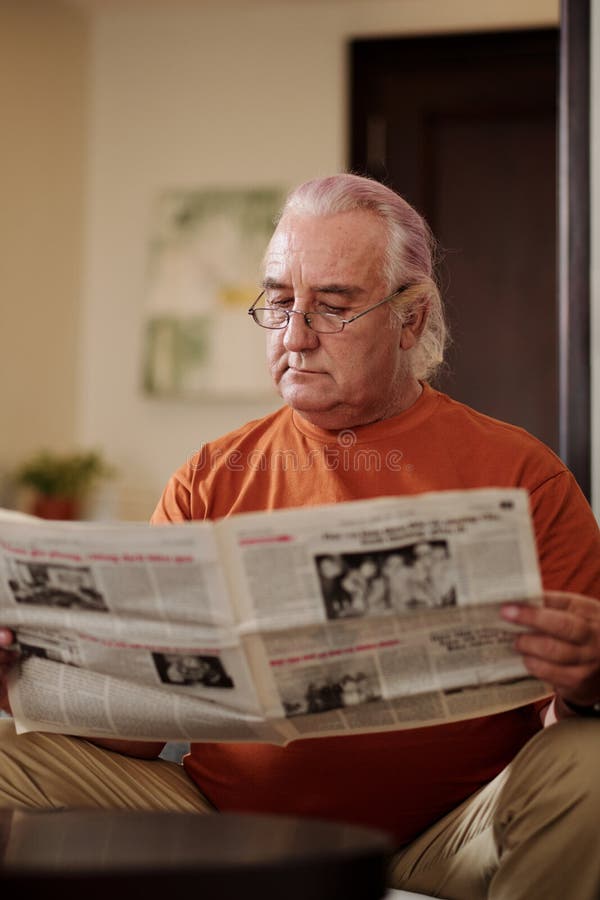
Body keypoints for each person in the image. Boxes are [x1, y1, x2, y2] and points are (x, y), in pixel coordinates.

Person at [1, 173, 599, 899]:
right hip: (222, 820)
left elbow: (566, 705)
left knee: (590, 759)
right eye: (280, 302)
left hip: (445, 833)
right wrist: (22, 679)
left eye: (334, 308)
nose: (295, 336)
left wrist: (587, 681)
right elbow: (137, 727)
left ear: (410, 320)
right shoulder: (211, 475)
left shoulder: (522, 474)